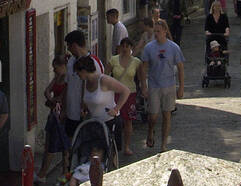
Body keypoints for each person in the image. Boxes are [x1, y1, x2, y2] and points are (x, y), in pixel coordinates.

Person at [139, 20, 185, 150]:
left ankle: (164, 143)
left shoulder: (174, 47)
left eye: (159, 31)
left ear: (165, 31)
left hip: (169, 85)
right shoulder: (149, 48)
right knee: (153, 116)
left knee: (167, 115)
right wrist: (144, 85)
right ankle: (150, 131)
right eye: (155, 32)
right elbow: (144, 67)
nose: (156, 34)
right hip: (154, 85)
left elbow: (181, 67)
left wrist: (181, 87)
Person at [63, 30, 102, 142]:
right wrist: (64, 108)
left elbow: (98, 86)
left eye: (69, 46)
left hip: (87, 113)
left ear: (74, 45)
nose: (68, 49)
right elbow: (67, 84)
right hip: (71, 112)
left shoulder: (94, 63)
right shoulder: (71, 61)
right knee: (71, 141)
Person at [109, 37, 145, 154]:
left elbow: (141, 78)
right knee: (114, 120)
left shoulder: (136, 62)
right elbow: (105, 76)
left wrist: (144, 90)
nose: (125, 48)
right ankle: (113, 145)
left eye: (127, 46)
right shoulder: (113, 60)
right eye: (123, 46)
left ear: (131, 48)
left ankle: (127, 146)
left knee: (128, 121)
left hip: (130, 94)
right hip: (115, 94)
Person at [74, 55, 131, 127]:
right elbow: (89, 101)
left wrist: (116, 109)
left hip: (110, 121)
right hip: (95, 123)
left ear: (83, 71)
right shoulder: (85, 83)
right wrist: (85, 110)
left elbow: (126, 91)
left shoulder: (104, 80)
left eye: (78, 72)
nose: (77, 75)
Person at [39, 54, 70, 181]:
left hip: (62, 115)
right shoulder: (57, 77)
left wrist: (54, 100)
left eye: (55, 67)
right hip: (54, 113)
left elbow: (63, 96)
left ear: (63, 66)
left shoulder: (68, 79)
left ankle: (62, 173)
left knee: (63, 145)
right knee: (51, 142)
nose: (54, 70)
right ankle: (45, 173)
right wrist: (51, 99)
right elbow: (47, 91)